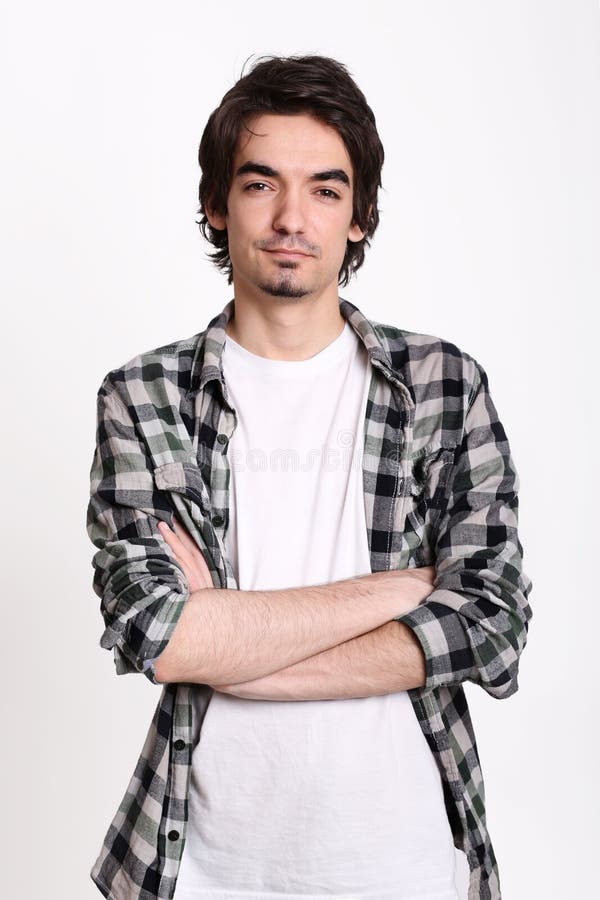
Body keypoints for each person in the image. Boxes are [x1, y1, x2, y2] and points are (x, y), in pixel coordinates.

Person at [86, 54, 533, 900]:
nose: (293, 217)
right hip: (205, 868)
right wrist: (406, 588)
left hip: (406, 864)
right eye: (261, 185)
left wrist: (225, 643)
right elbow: (159, 634)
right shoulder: (143, 397)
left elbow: (493, 624)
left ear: (359, 216)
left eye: (326, 190)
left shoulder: (443, 386)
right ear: (218, 204)